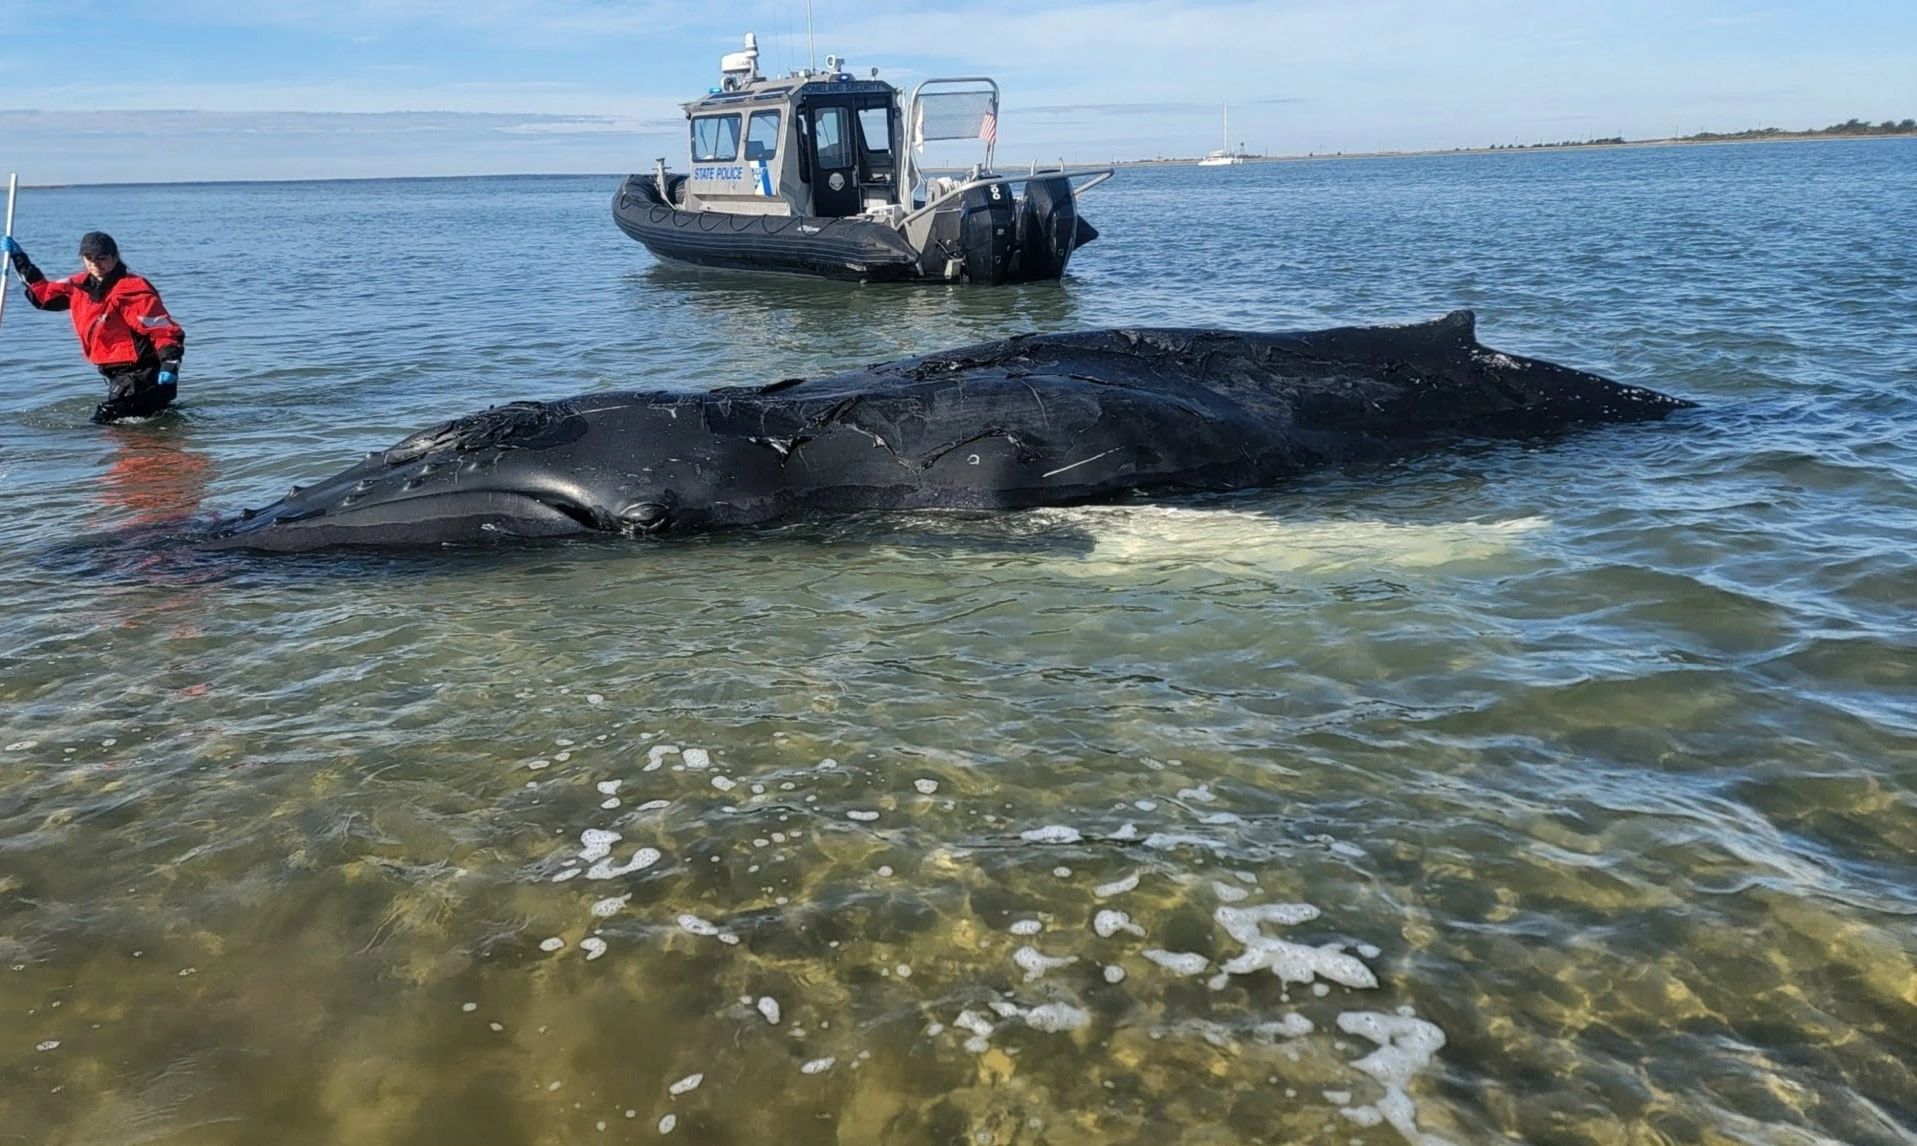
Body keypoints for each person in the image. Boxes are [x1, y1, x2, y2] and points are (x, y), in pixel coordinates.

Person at [2, 231, 186, 423]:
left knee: (106, 421)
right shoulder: (78, 286)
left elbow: (161, 329)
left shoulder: (131, 289)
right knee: (135, 423)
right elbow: (43, 295)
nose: (95, 264)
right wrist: (19, 259)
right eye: (89, 258)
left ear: (115, 257)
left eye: (102, 258)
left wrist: (170, 363)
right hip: (117, 374)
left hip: (143, 373)